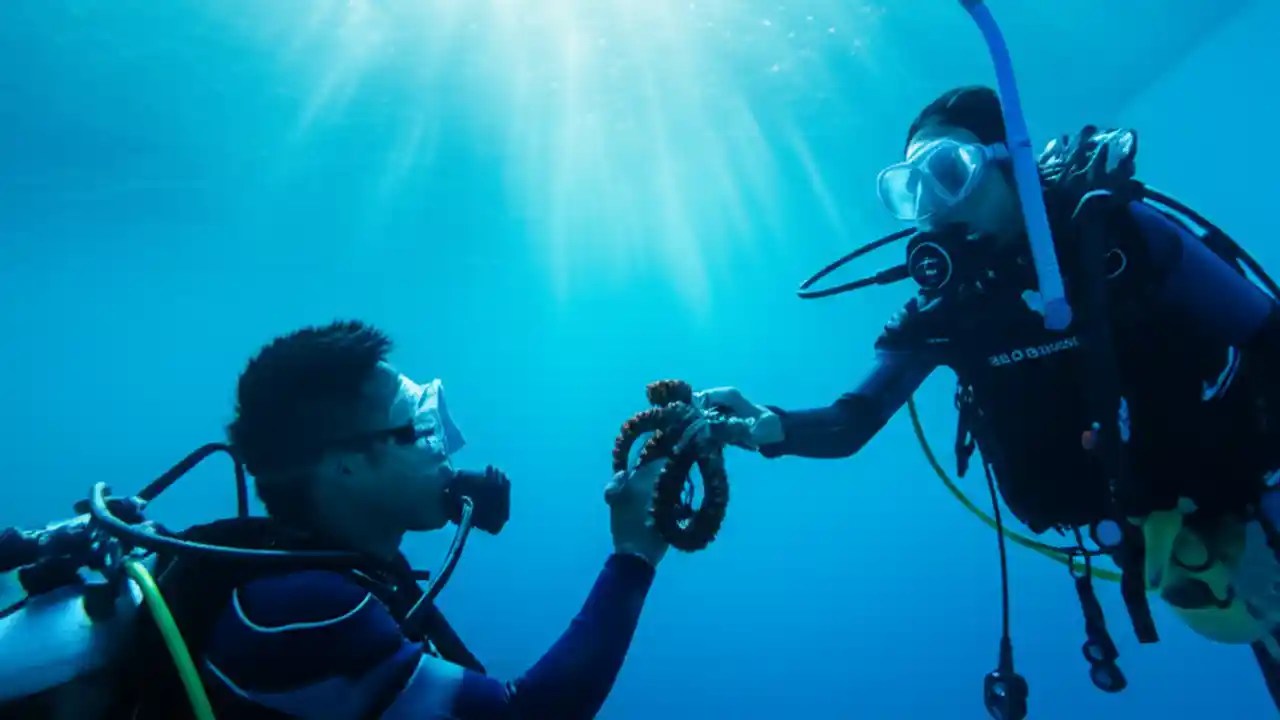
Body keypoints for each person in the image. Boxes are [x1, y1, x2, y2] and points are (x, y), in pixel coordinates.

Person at [698, 85, 1280, 706]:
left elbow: (1268, 335)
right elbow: (852, 422)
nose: (932, 207)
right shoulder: (946, 311)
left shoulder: (1115, 239)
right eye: (910, 191)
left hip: (1242, 495)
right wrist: (771, 426)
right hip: (1148, 524)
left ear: (1011, 161)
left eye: (948, 172)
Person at [122, 319, 674, 719]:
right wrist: (635, 553)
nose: (444, 451)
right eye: (418, 430)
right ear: (345, 467)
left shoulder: (354, 572)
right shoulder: (308, 611)